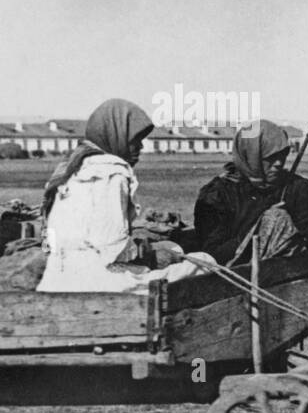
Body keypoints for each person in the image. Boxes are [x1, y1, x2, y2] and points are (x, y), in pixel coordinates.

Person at [37, 99, 213, 293]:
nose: (140, 148)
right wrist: (150, 253)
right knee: (205, 263)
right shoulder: (111, 173)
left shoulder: (70, 170)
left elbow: (51, 243)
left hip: (55, 279)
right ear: (115, 137)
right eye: (134, 141)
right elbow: (111, 246)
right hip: (98, 284)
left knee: (171, 249)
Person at [194, 120, 308, 265]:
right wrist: (259, 227)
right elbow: (211, 252)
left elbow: (305, 243)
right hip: (231, 271)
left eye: (282, 155)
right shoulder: (217, 194)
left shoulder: (296, 188)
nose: (279, 163)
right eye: (270, 157)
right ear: (250, 156)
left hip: (281, 270)